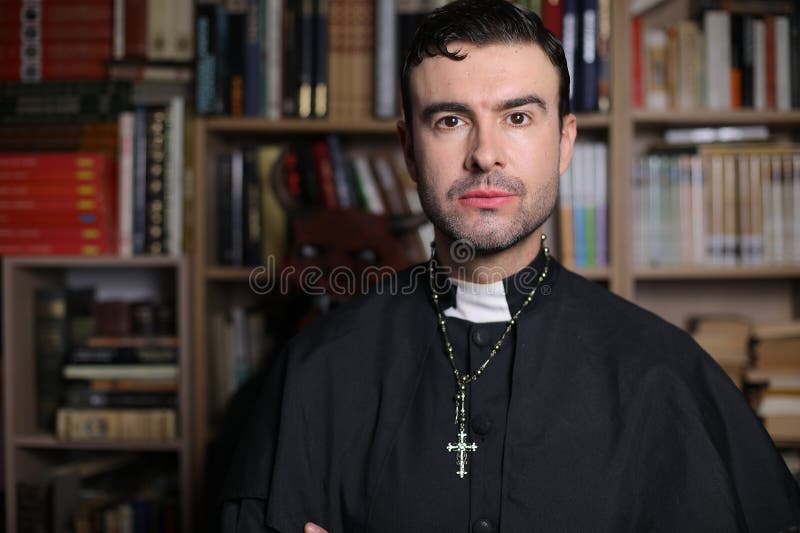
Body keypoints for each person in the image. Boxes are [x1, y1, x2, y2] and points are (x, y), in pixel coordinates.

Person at [220, 1, 800, 531]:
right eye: (450, 120)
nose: (484, 153)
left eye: (517, 117)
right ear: (409, 149)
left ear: (565, 141)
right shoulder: (317, 370)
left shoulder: (665, 373)